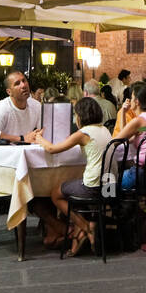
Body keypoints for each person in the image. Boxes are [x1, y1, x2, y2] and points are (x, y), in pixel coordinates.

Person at [29, 97, 112, 257]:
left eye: (75, 115)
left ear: (80, 116)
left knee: (55, 193)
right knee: (80, 188)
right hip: (110, 187)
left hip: (94, 187)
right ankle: (80, 236)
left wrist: (38, 138)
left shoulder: (84, 133)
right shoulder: (104, 130)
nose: (75, 118)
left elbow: (52, 149)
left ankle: (84, 226)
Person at [109, 83, 146, 191]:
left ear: (137, 102)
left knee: (107, 180)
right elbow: (129, 138)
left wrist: (122, 112)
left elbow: (118, 140)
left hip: (138, 176)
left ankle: (111, 206)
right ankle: (128, 206)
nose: (129, 101)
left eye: (131, 98)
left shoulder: (139, 121)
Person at [0, 71, 40, 143]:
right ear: (9, 92)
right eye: (17, 83)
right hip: (5, 153)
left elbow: (44, 130)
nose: (23, 85)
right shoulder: (1, 108)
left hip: (27, 151)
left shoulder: (36, 106)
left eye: (24, 81)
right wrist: (22, 139)